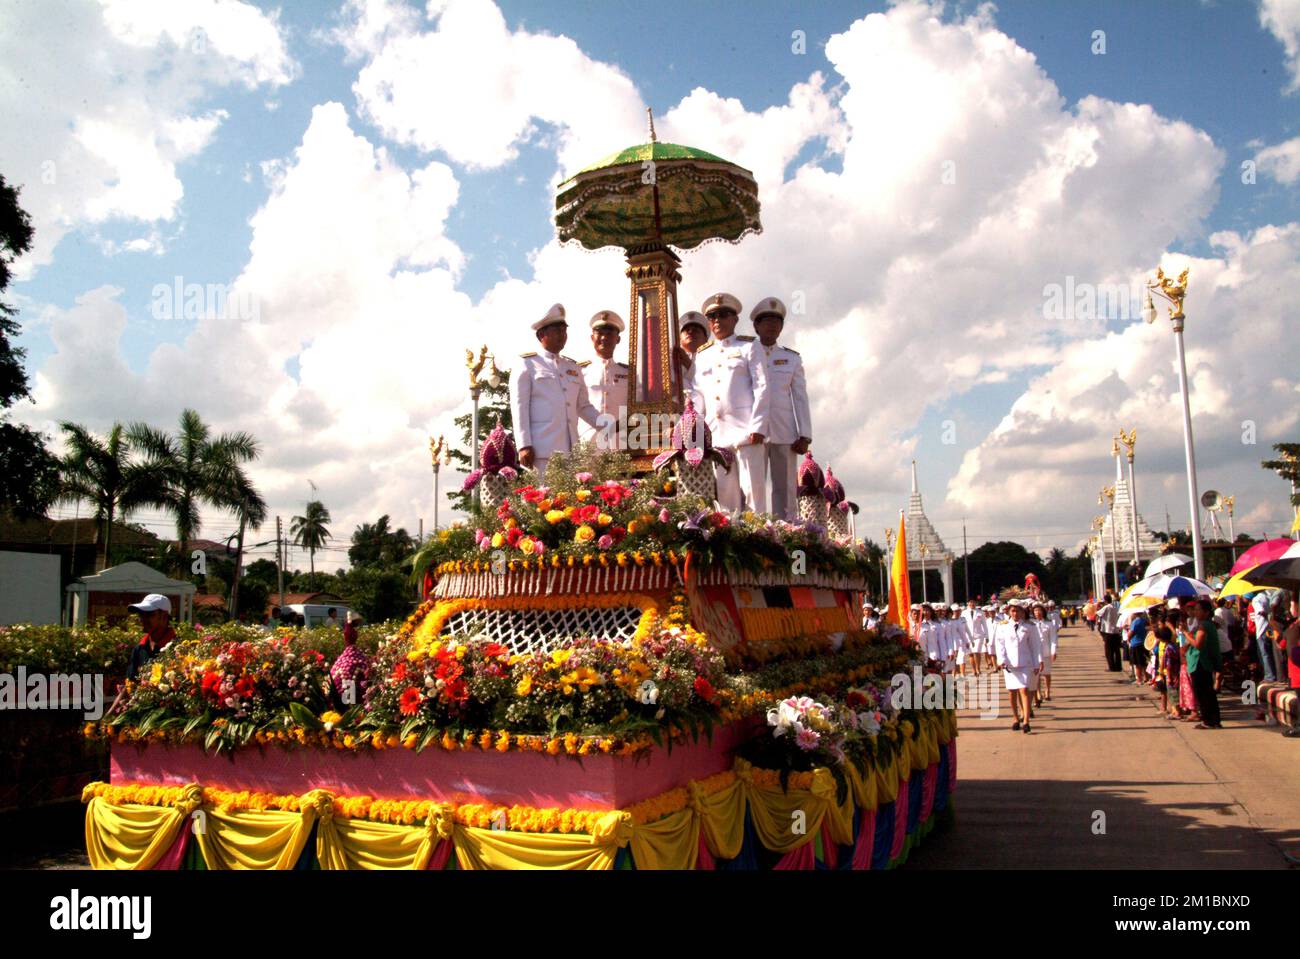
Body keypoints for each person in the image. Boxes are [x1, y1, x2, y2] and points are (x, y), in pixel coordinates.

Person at [690, 293, 770, 514]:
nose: (718, 320)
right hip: (716, 436)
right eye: (712, 316)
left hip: (746, 432)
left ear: (734, 319)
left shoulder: (749, 347)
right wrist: (695, 432)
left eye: (724, 315)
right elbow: (697, 395)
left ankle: (761, 542)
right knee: (726, 500)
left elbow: (762, 387)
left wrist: (758, 426)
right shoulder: (703, 354)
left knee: (754, 497)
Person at [512, 303, 601, 475]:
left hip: (571, 452)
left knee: (571, 501)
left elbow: (583, 407)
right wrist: (524, 445)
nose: (562, 335)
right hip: (540, 452)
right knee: (541, 501)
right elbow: (519, 408)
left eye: (564, 330)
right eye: (557, 330)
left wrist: (611, 424)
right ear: (541, 335)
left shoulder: (573, 368)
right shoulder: (527, 365)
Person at [748, 297, 811, 521]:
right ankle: (755, 532)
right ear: (756, 326)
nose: (772, 325)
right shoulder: (746, 354)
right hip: (753, 431)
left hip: (784, 432)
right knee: (753, 487)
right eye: (766, 320)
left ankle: (786, 533)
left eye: (777, 321)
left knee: (785, 489)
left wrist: (805, 434)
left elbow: (800, 397)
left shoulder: (791, 358)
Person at [578, 310, 629, 447]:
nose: (604, 338)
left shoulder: (629, 374)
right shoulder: (580, 372)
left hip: (620, 444)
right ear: (592, 338)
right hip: (588, 443)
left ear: (617, 339)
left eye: (609, 334)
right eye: (599, 333)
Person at [994, 602, 1042, 733]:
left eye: (1018, 611)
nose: (1015, 614)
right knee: (1011, 692)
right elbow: (1000, 644)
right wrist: (1001, 660)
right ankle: (1015, 718)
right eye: (1013, 611)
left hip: (1025, 663)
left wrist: (1037, 663)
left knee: (1024, 690)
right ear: (1009, 612)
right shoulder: (1002, 626)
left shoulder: (1029, 626)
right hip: (1009, 664)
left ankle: (1026, 721)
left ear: (1023, 612)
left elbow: (1035, 646)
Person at [1182, 598, 1223, 729]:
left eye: (1198, 609)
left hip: (1201, 662)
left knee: (1203, 693)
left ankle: (1209, 721)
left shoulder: (1204, 625)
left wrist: (1185, 633)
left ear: (1206, 612)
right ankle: (1214, 720)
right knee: (1208, 693)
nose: (1195, 612)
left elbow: (1198, 644)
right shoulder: (1206, 624)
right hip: (1203, 662)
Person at [125, 594, 176, 682]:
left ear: (164, 616)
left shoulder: (178, 648)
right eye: (141, 614)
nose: (142, 619)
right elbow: (130, 683)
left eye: (149, 614)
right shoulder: (139, 649)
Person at [331, 610, 369, 708]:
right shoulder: (348, 628)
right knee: (347, 674)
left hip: (352, 651)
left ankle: (353, 703)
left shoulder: (350, 628)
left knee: (352, 672)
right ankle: (348, 702)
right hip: (349, 651)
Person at [1031, 602, 1058, 703]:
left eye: (1039, 610)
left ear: (1043, 612)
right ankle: (1038, 692)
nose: (1037, 613)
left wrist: (1053, 651)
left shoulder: (1049, 623)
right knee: (1036, 673)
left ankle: (1047, 691)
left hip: (1046, 651)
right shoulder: (1031, 623)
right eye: (1035, 611)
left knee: (1046, 673)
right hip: (1035, 652)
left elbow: (1053, 639)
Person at [1251, 590, 1278, 683]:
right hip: (1272, 628)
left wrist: (1268, 617)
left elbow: (1261, 611)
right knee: (1273, 653)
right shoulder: (1271, 595)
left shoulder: (1256, 599)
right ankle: (1275, 674)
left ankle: (1269, 676)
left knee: (1264, 654)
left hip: (1262, 629)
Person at [961, 599, 989, 676]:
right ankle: (974, 670)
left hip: (978, 635)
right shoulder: (964, 613)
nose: (972, 604)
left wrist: (986, 636)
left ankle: (978, 668)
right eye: (970, 602)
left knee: (976, 652)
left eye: (973, 602)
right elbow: (962, 625)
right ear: (968, 603)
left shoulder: (980, 612)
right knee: (971, 653)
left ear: (975, 603)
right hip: (968, 636)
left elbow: (984, 625)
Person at [1096, 592, 1122, 672]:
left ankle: (1111, 667)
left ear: (1105, 601)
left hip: (1108, 632)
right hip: (1116, 631)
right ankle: (1118, 666)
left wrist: (1097, 607)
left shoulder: (1106, 607)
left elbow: (1097, 613)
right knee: (1116, 650)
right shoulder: (1115, 607)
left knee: (1109, 651)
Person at [1127, 608, 1149, 685]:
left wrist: (1128, 639)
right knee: (1144, 662)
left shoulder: (1135, 622)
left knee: (1137, 664)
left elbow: (1131, 632)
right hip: (1143, 642)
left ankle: (1139, 679)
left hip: (1136, 643)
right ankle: (1146, 677)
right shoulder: (1144, 621)